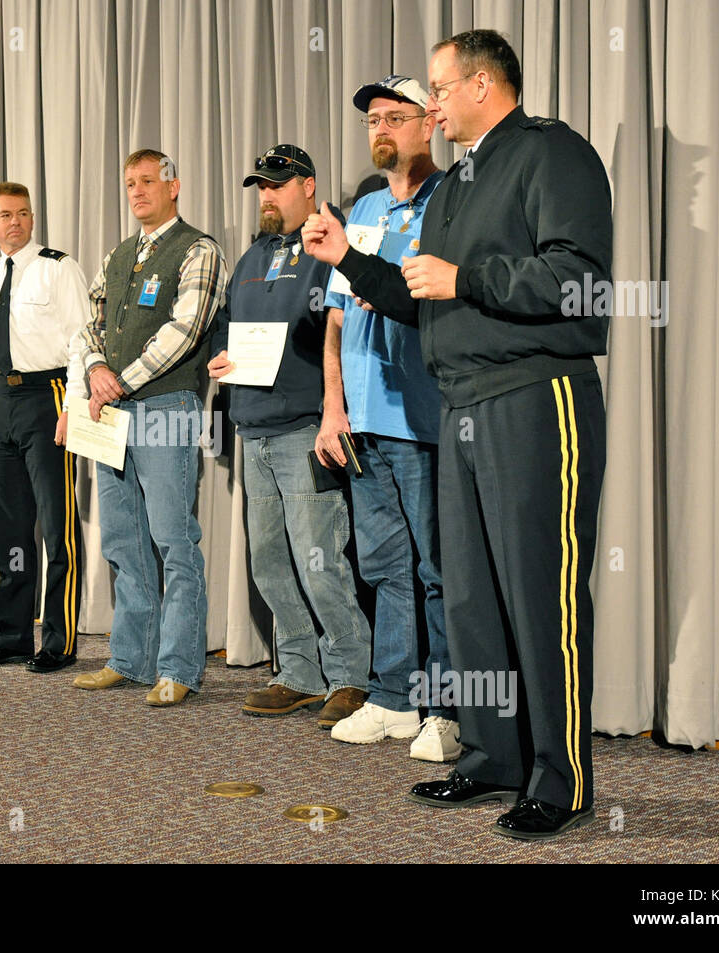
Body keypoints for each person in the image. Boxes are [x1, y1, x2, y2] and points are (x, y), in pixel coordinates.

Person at [302, 31, 611, 840]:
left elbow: (583, 283)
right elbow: (420, 300)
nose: (430, 104)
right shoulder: (454, 187)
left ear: (482, 84)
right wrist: (350, 262)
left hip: (537, 395)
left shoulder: (553, 155)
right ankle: (492, 754)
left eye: (438, 87)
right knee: (473, 597)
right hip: (460, 404)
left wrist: (465, 278)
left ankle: (562, 777)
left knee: (541, 593)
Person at [316, 76, 460, 761]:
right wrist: (333, 406)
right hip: (365, 419)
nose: (381, 129)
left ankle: (447, 708)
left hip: (425, 415)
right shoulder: (364, 205)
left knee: (439, 569)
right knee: (383, 565)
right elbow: (338, 316)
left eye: (394, 117)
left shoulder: (453, 200)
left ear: (427, 123)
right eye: (373, 118)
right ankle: (395, 696)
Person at [206, 144, 372, 730]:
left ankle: (350, 674)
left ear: (310, 185)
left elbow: (342, 329)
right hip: (253, 427)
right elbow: (228, 329)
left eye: (278, 183)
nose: (267, 195)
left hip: (306, 426)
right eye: (261, 185)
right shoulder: (253, 255)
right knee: (269, 561)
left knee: (320, 558)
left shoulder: (330, 246)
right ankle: (299, 672)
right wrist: (222, 358)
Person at [72, 149, 228, 707]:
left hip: (164, 408)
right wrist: (94, 371)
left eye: (147, 182)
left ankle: (179, 667)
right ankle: (131, 660)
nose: (137, 192)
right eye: (130, 183)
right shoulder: (118, 256)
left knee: (172, 538)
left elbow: (185, 331)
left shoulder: (199, 250)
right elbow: (88, 323)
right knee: (123, 539)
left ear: (173, 186)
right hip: (109, 412)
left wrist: (121, 380)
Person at [0, 182, 86, 674]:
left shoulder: (58, 268)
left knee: (57, 527)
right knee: (10, 527)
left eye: (23, 214)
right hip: (2, 402)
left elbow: (81, 340)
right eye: (5, 215)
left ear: (33, 219)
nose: (15, 222)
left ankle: (58, 640)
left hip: (48, 398)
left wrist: (73, 404)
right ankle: (12, 635)